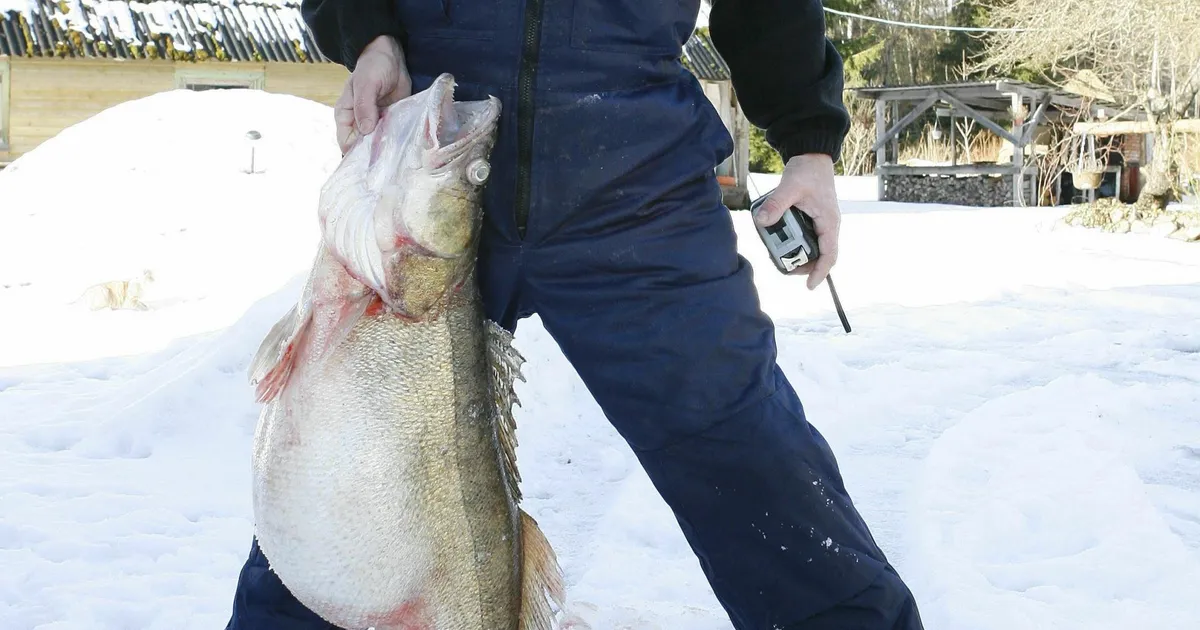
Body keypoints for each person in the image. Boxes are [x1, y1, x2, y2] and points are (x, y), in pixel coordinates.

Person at [225, 1, 924, 628]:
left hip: (635, 177)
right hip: (436, 149)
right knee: (350, 444)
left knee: (743, 447)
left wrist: (808, 141)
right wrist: (370, 33)